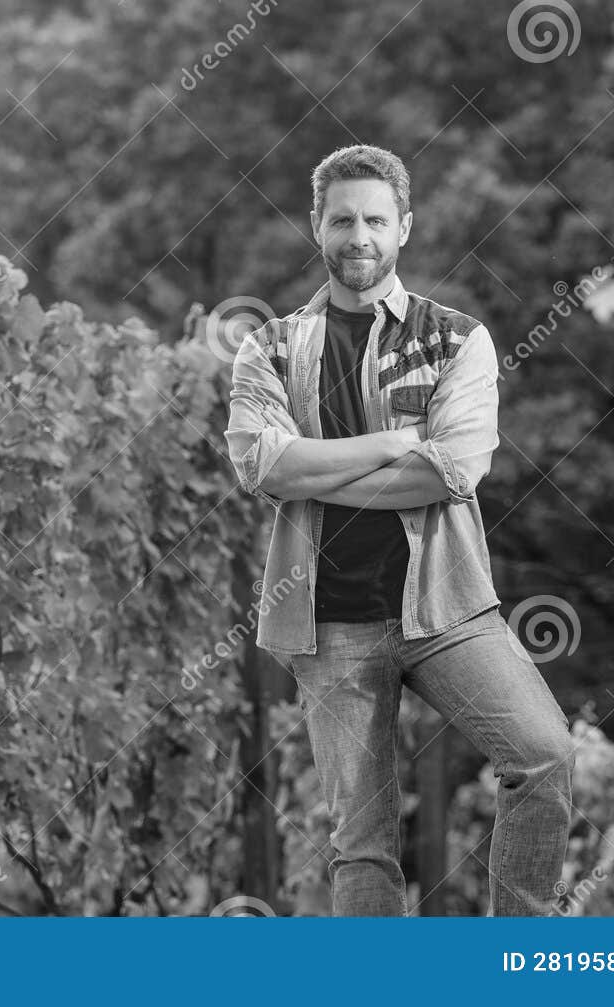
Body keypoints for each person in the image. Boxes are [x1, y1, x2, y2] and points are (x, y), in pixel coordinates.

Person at [223, 144, 573, 916]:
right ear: (317, 226)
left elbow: (453, 471)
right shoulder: (270, 346)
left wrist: (317, 467)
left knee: (544, 756)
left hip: (447, 607)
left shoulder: (456, 339)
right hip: (327, 619)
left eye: (375, 220)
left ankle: (512, 961)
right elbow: (263, 464)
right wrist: (389, 444)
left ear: (404, 228)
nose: (359, 236)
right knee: (363, 841)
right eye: (342, 219)